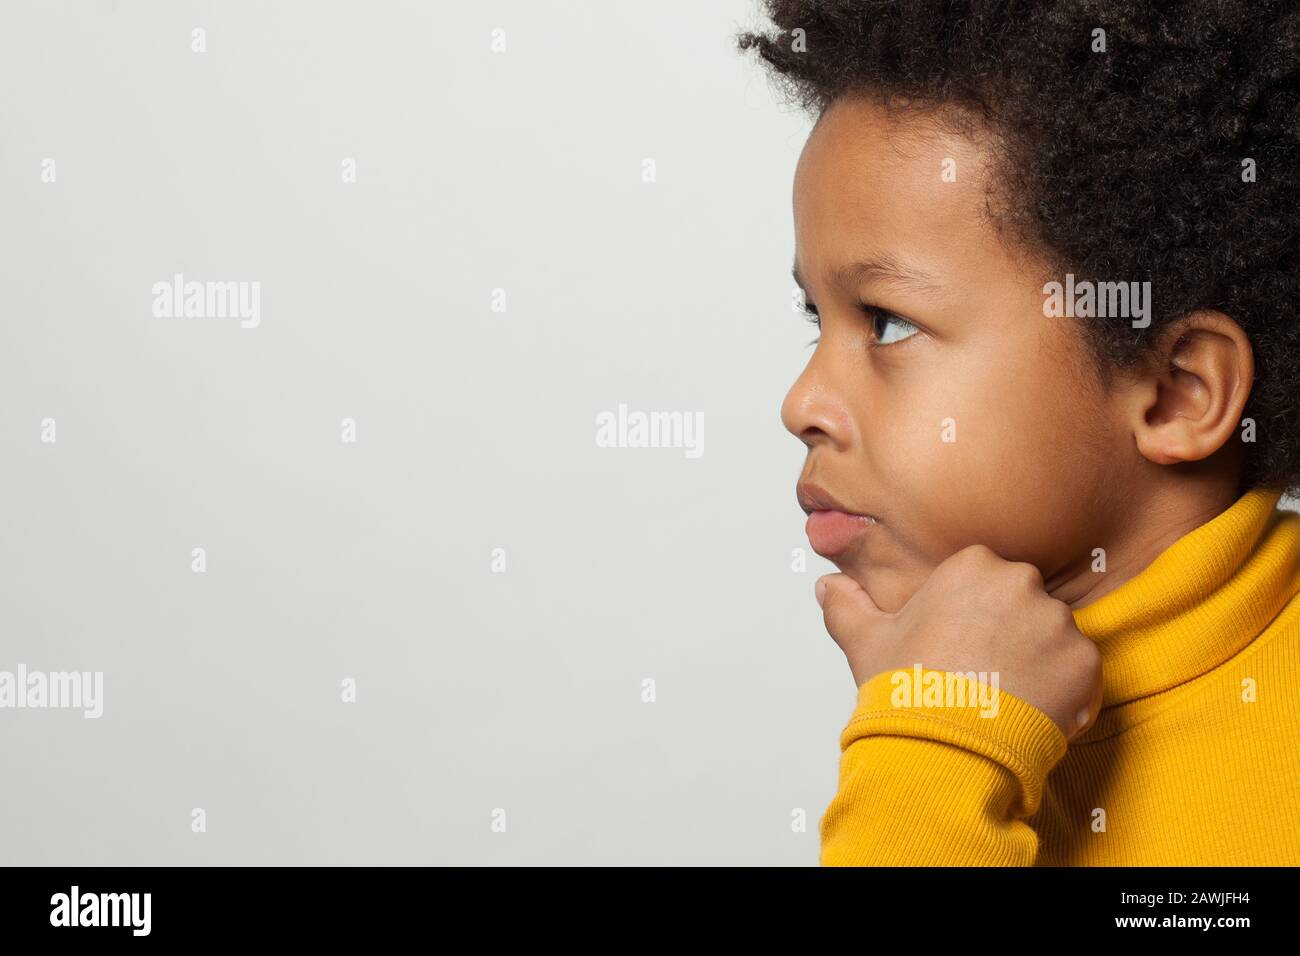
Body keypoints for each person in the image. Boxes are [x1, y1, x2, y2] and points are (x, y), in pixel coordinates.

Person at [737, 0, 1300, 865]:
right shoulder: (944, 701)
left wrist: (936, 747)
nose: (802, 400)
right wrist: (940, 736)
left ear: (1176, 394)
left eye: (886, 323)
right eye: (818, 319)